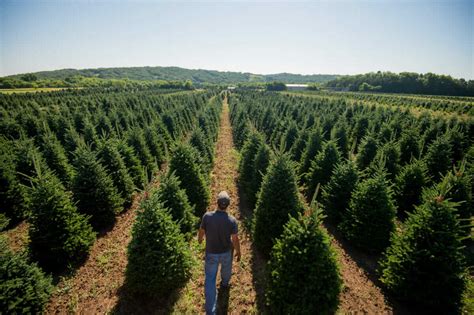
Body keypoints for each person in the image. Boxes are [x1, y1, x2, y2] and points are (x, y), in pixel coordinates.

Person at [198, 191, 241, 315]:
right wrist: (239, 252)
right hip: (226, 252)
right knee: (226, 269)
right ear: (228, 205)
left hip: (211, 253)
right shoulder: (232, 220)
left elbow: (201, 231)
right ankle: (225, 284)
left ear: (216, 203)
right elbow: (235, 239)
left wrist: (200, 240)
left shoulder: (207, 216)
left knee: (210, 280)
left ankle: (210, 311)